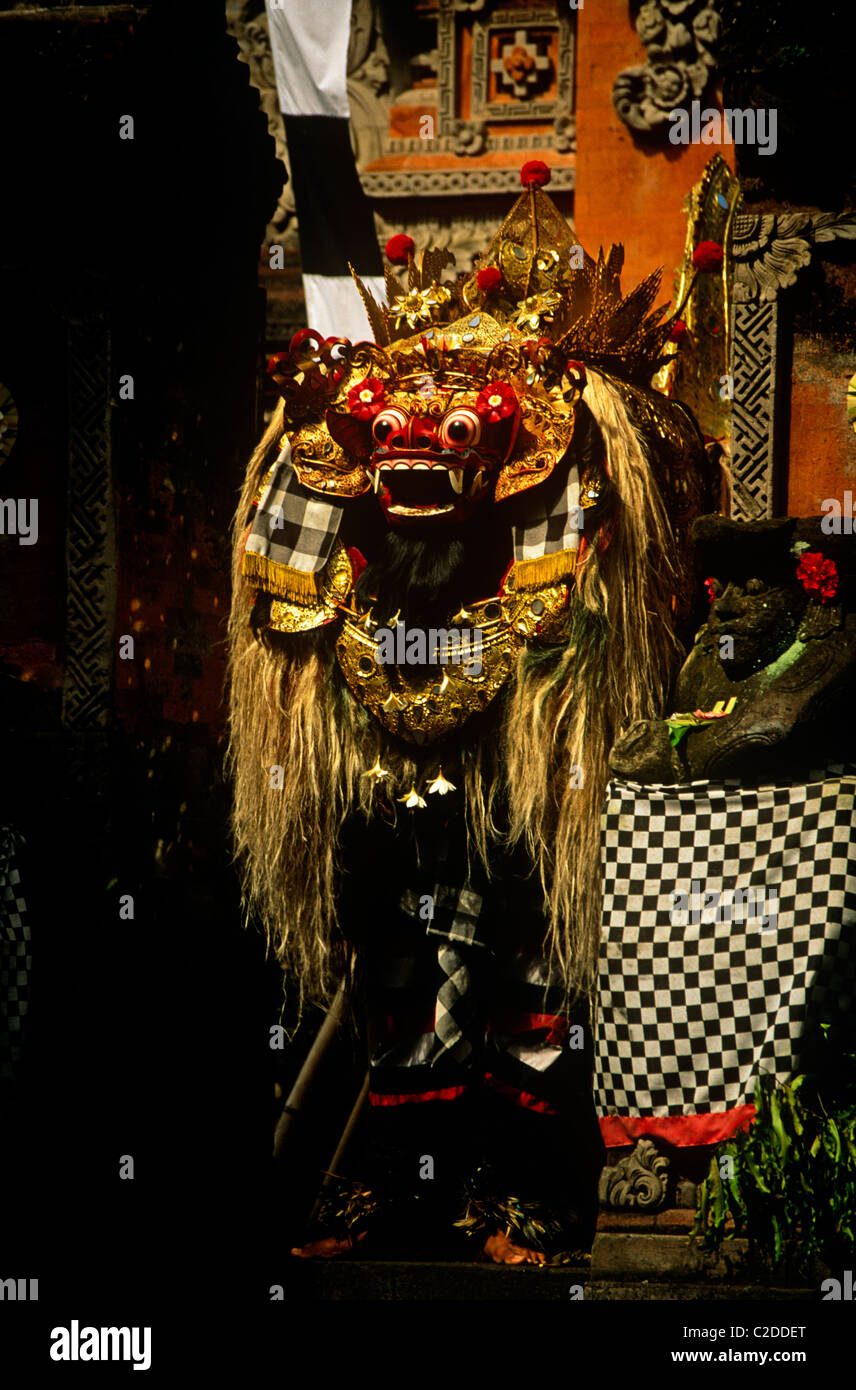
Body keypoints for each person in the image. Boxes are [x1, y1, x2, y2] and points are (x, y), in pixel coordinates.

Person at [228, 164, 717, 1262]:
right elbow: (292, 590)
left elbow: (583, 617)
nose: (414, 453)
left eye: (452, 433)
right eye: (394, 432)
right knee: (402, 976)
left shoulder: (567, 504)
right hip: (401, 781)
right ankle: (409, 1193)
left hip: (525, 775)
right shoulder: (354, 517)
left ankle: (528, 1193)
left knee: (530, 978)